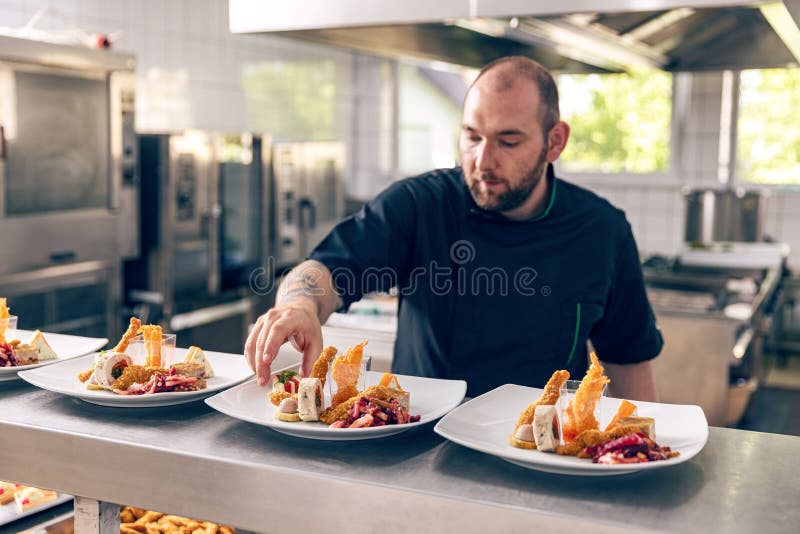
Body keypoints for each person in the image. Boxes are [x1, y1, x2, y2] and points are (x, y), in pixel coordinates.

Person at [244, 56, 663, 400]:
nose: (482, 160)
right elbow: (325, 270)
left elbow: (627, 361)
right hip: (424, 453)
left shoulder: (602, 231)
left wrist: (635, 453)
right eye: (471, 137)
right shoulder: (419, 205)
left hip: (549, 456)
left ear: (555, 142)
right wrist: (298, 306)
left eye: (508, 141)